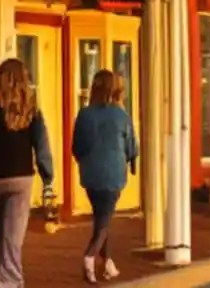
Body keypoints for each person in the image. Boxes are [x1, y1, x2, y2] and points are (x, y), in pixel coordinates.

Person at [0, 58, 56, 288]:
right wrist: (48, 178)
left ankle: (9, 278)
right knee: (12, 238)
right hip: (19, 177)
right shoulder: (29, 108)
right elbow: (42, 144)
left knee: (5, 236)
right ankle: (8, 281)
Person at [71, 70, 138, 284]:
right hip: (113, 174)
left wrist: (86, 160)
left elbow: (77, 147)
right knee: (104, 222)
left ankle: (108, 262)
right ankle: (90, 257)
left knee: (101, 217)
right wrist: (131, 160)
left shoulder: (84, 114)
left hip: (90, 175)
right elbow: (131, 147)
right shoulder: (121, 115)